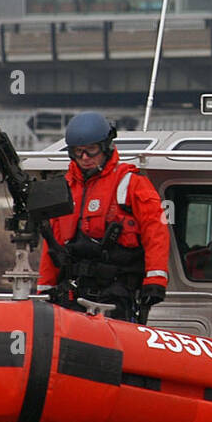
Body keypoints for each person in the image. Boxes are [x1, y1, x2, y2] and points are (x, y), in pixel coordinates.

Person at [37, 111, 169, 322]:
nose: (85, 158)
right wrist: (44, 289)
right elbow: (51, 244)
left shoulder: (131, 183)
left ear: (106, 147)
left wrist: (155, 280)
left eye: (91, 151)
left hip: (116, 289)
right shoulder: (64, 188)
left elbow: (156, 232)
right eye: (79, 152)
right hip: (72, 290)